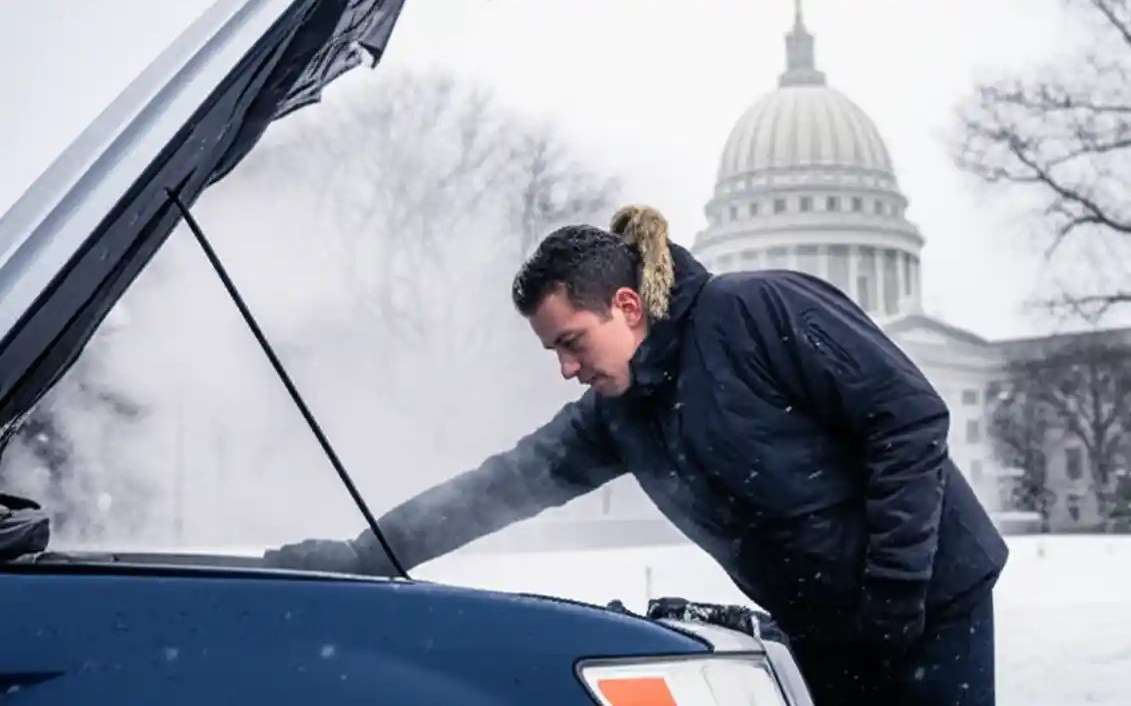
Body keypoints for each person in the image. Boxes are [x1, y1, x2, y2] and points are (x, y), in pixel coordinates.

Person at [264, 205, 1008, 705]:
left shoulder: (755, 311)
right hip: (826, 624)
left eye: (570, 343)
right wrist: (363, 555)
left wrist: (893, 597)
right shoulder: (618, 415)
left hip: (932, 601)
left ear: (625, 306)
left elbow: (908, 419)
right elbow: (500, 486)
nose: (565, 367)